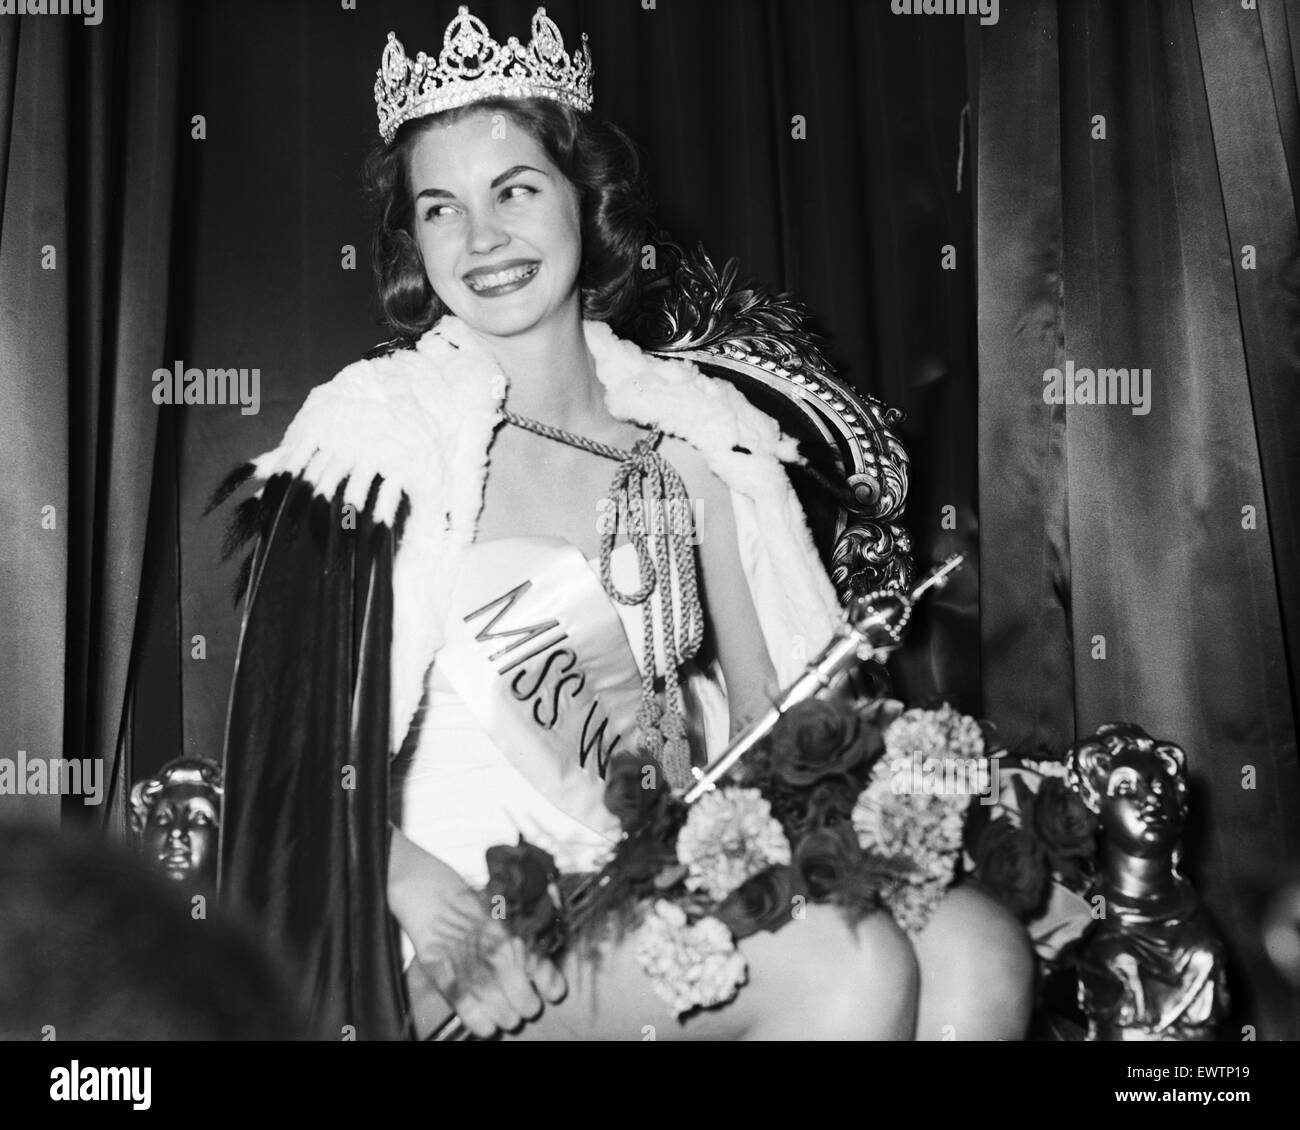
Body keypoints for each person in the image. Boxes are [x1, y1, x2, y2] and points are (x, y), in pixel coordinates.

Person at [218, 4, 1030, 1040]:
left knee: (976, 949)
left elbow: (786, 725)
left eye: (515, 189)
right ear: (411, 243)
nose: (482, 238)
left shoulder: (696, 445)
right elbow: (286, 766)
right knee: (843, 963)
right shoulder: (376, 443)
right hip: (465, 926)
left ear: (583, 199)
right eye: (439, 208)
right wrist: (428, 899)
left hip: (655, 883)